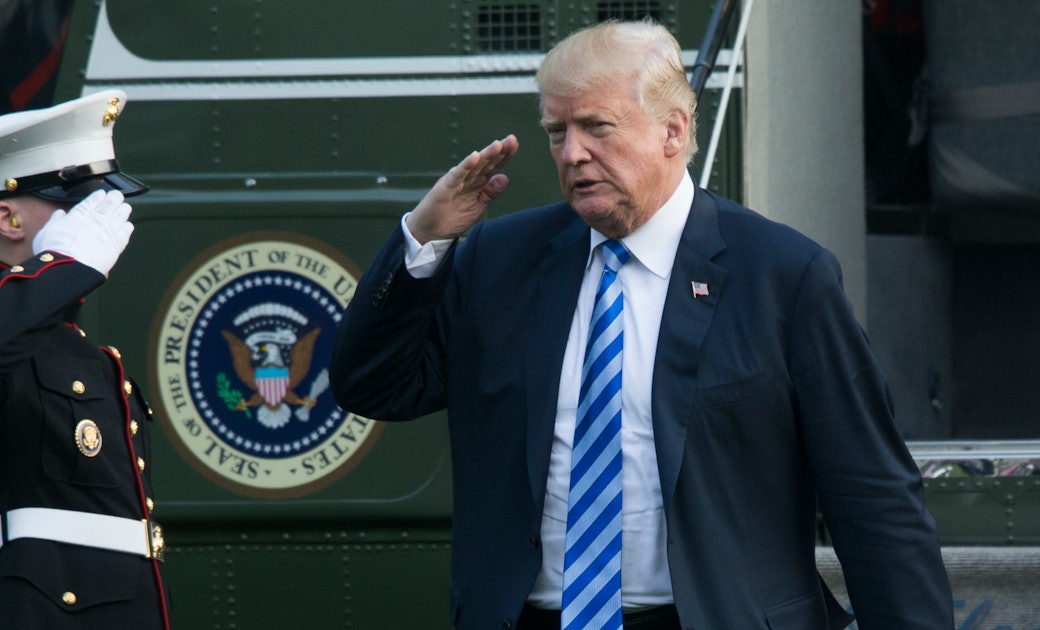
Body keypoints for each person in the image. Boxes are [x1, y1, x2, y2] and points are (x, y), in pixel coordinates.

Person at [329, 20, 953, 630]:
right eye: (556, 132)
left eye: (596, 126)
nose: (573, 153)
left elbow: (872, 497)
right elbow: (372, 384)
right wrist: (424, 239)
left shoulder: (783, 275)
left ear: (673, 131)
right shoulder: (501, 261)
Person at [0, 90, 172, 629]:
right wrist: (63, 267)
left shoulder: (84, 354)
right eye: (79, 206)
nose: (101, 219)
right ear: (7, 218)